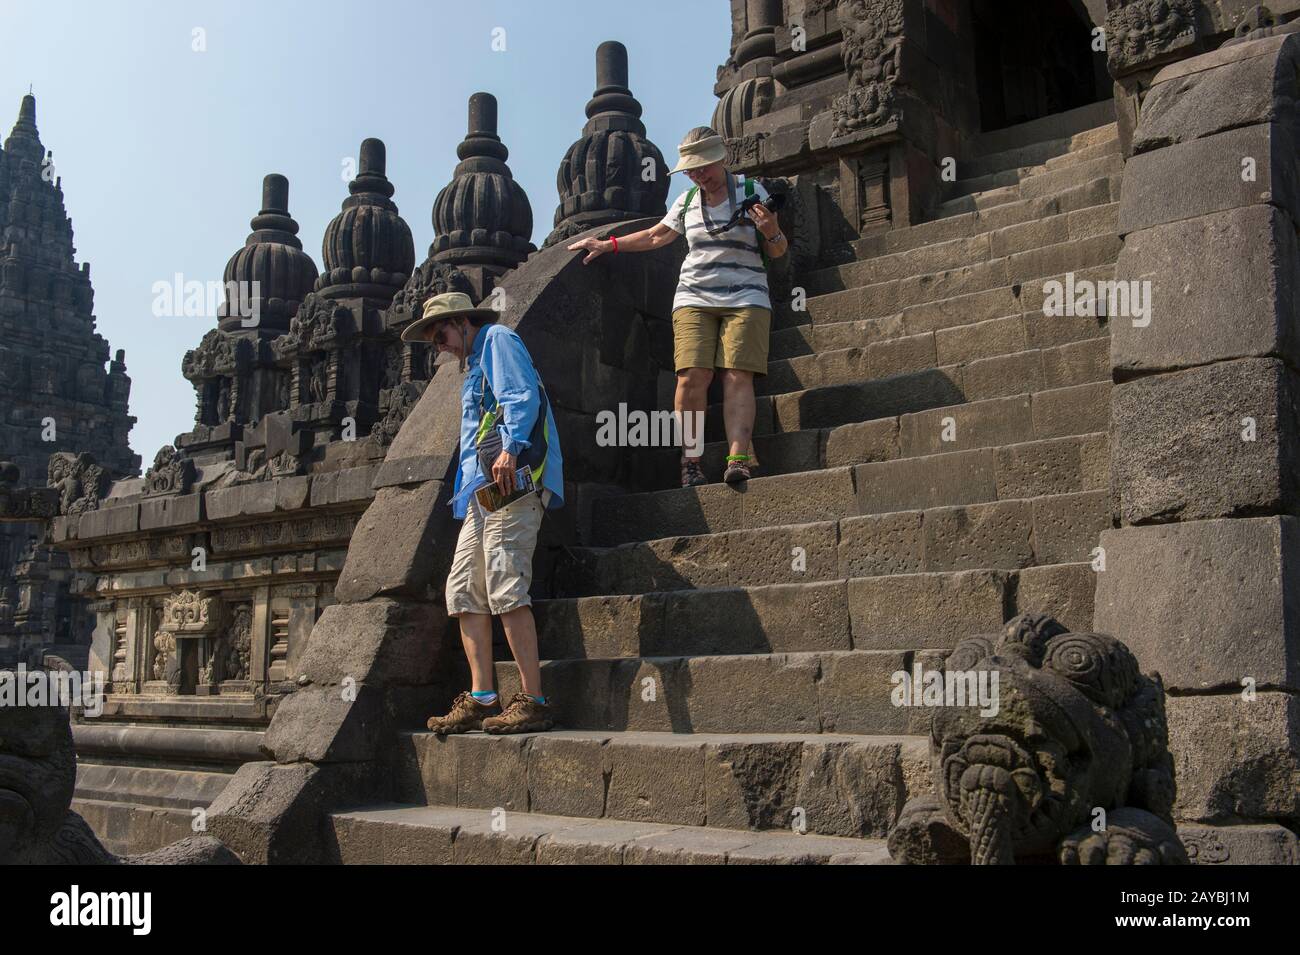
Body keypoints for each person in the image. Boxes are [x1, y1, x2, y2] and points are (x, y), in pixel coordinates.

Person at [568, 126, 788, 486]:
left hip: (746, 295)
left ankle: (737, 458)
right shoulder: (686, 202)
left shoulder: (751, 192)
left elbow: (779, 252)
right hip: (693, 297)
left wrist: (771, 230)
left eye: (705, 167)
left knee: (736, 374)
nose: (699, 175)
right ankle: (691, 462)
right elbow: (656, 235)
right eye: (692, 170)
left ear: (722, 159)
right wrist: (609, 245)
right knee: (691, 376)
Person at [401, 291, 564, 735]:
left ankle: (534, 700)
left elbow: (521, 395)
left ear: (463, 322)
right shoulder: (472, 363)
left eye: (442, 335)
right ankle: (481, 696)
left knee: (506, 583)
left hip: (513, 481)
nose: (441, 346)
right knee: (463, 588)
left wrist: (511, 449)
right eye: (435, 341)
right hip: (483, 491)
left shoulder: (496, 339)